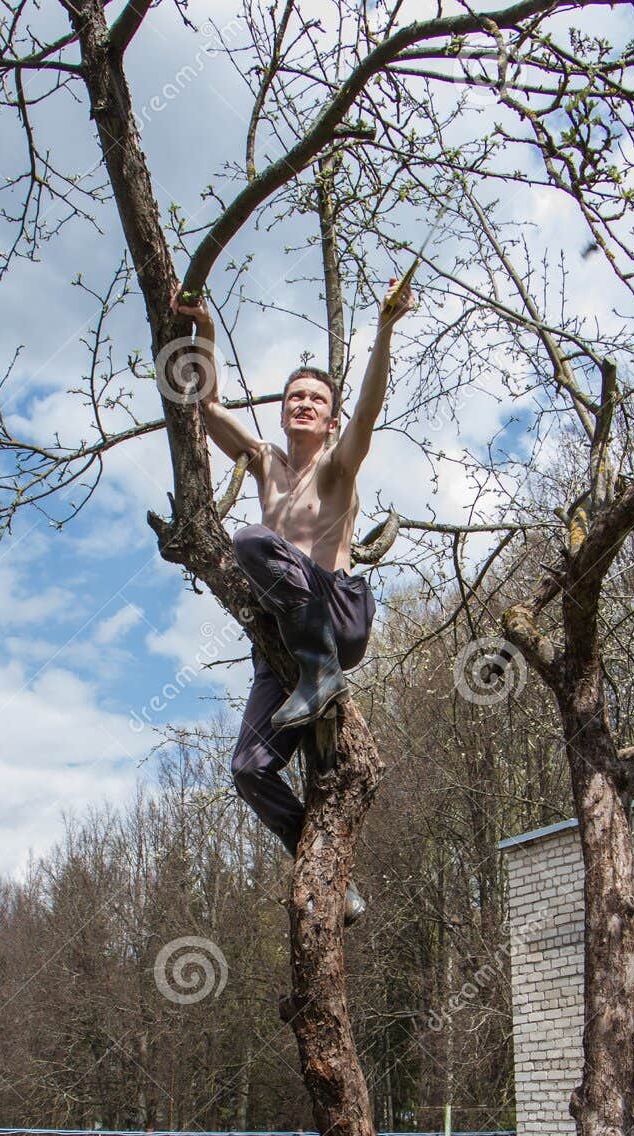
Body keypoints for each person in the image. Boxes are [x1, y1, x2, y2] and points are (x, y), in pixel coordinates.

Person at [170, 277, 414, 926]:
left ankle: (322, 672)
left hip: (337, 614)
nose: (303, 404)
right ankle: (332, 873)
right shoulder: (261, 460)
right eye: (294, 397)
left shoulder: (338, 466)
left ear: (329, 421)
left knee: (250, 540)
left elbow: (368, 408)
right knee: (249, 767)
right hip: (281, 644)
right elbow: (206, 405)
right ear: (282, 412)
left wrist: (386, 328)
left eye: (316, 400)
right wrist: (207, 335)